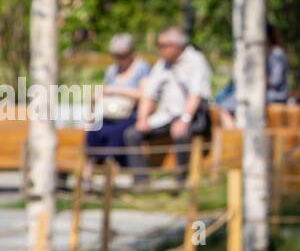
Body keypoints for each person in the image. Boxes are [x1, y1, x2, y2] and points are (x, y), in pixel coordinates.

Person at [124, 28, 212, 184]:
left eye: (163, 45)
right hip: (166, 115)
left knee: (181, 133)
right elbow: (149, 94)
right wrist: (142, 118)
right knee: (132, 134)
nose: (160, 49)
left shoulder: (196, 60)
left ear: (177, 46)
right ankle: (141, 181)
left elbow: (196, 95)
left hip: (193, 115)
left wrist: (184, 120)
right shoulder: (161, 64)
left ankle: (181, 181)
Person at [85, 33, 150, 166]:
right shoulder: (112, 70)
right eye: (116, 55)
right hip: (110, 114)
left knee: (116, 133)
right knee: (94, 131)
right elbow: (103, 90)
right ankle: (90, 171)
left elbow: (145, 95)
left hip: (132, 115)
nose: (119, 59)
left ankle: (112, 167)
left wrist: (118, 91)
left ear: (131, 52)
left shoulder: (142, 68)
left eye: (123, 55)